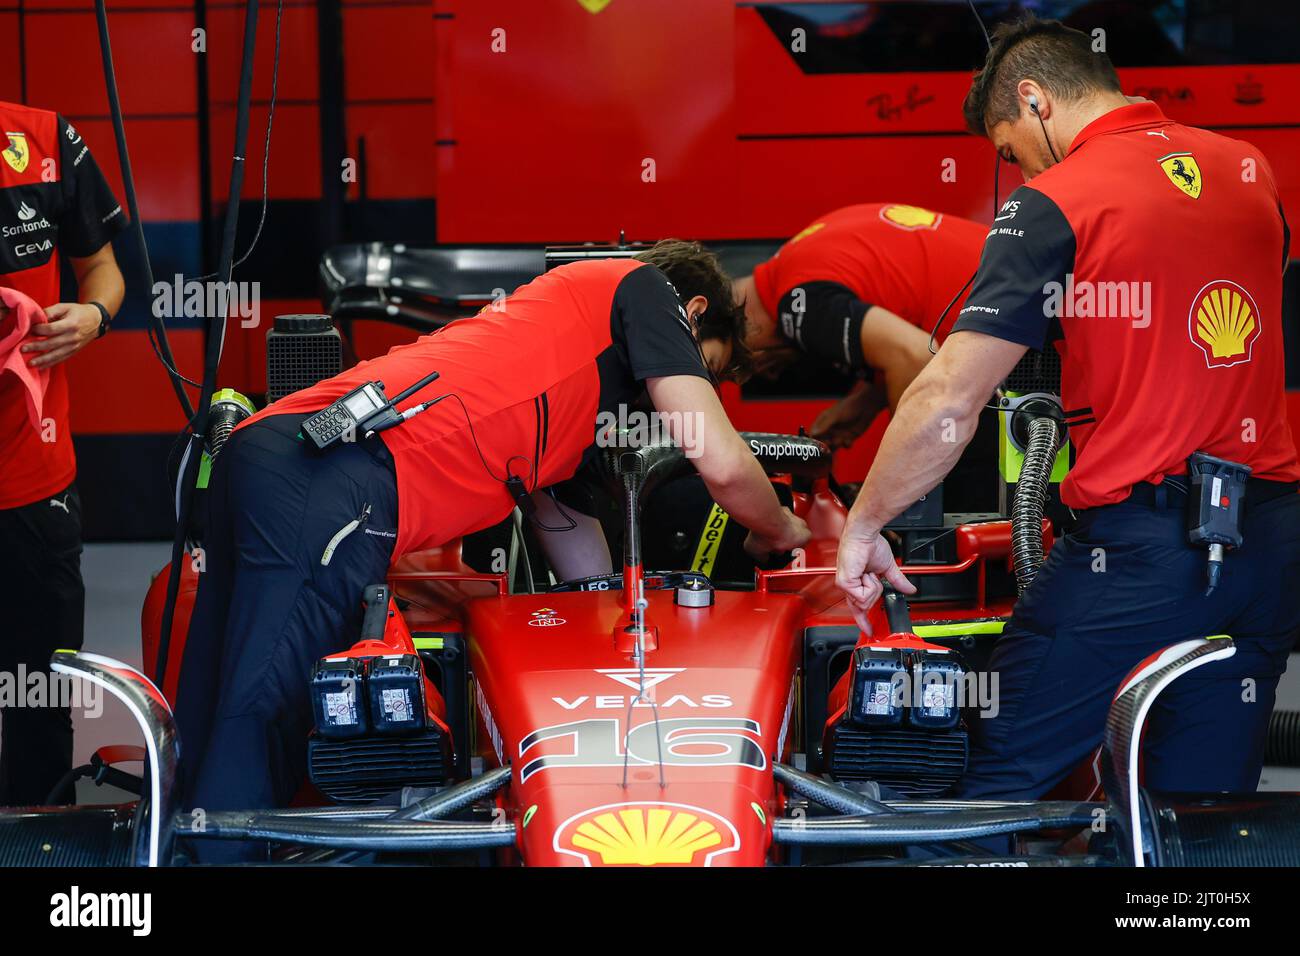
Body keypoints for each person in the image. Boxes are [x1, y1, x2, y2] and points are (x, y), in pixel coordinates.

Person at [834, 15, 1300, 799]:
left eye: (1010, 150)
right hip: (1271, 544)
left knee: (987, 788)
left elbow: (951, 395)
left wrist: (864, 523)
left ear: (1034, 99)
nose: (1015, 174)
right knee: (1198, 821)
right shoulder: (1247, 166)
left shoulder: (1056, 200)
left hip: (1145, 550)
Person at [175, 240, 811, 814]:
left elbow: (578, 560)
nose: (683, 395)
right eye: (707, 366)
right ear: (693, 314)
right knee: (268, 709)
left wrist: (626, 626)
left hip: (281, 459)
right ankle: (229, 845)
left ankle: (184, 841)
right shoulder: (645, 288)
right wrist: (777, 529)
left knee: (214, 703)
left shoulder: (567, 368)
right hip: (333, 480)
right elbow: (723, 466)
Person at [0, 101, 125, 805]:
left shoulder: (44, 139)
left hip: (34, 483)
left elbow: (102, 267)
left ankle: (41, 848)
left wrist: (94, 315)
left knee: (39, 705)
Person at [732, 202, 996, 509]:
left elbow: (916, 357)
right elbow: (904, 302)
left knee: (953, 510)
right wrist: (866, 400)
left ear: (745, 328)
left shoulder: (799, 301)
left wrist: (899, 496)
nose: (769, 373)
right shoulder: (798, 258)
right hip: (1018, 299)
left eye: (753, 366)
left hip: (1001, 333)